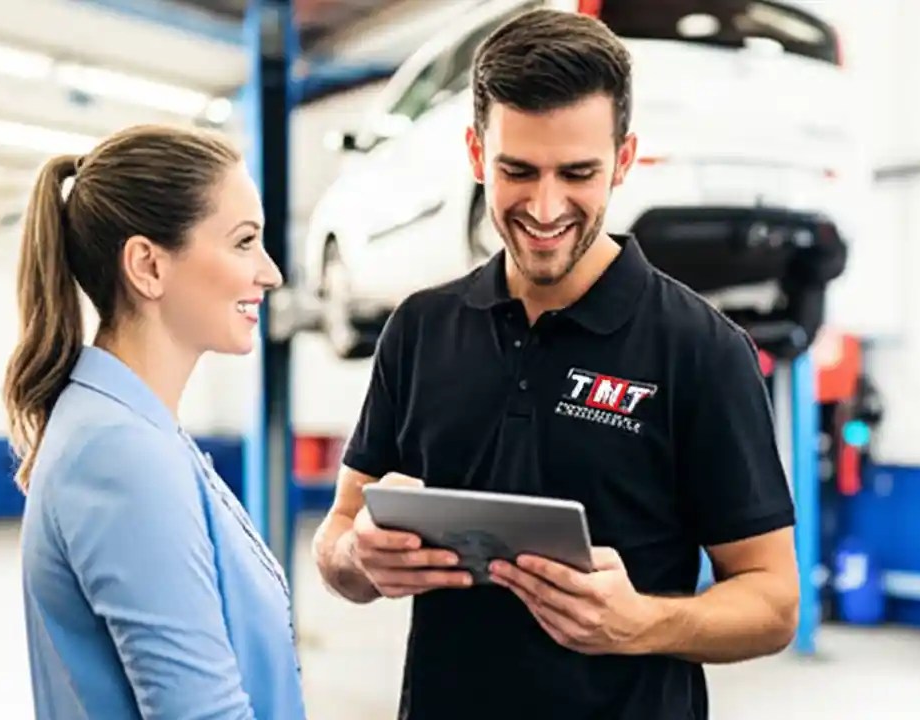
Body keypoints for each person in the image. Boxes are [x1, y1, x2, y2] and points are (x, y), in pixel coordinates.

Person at [312, 8, 800, 720]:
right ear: (478, 156)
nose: (545, 208)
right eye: (517, 171)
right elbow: (337, 536)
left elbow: (773, 600)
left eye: (578, 173)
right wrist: (359, 559)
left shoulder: (702, 349)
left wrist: (642, 623)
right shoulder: (418, 330)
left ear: (623, 161)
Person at [5, 124, 306, 719]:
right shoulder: (120, 454)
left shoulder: (131, 432)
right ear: (147, 266)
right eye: (244, 242)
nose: (269, 273)